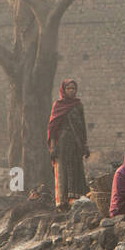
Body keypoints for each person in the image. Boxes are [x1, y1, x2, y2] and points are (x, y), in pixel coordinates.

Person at [47, 78, 89, 210]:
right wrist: (53, 146)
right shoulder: (58, 105)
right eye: (69, 88)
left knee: (76, 169)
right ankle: (62, 201)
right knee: (63, 171)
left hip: (76, 143)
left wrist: (84, 144)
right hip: (63, 144)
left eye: (73, 89)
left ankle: (75, 198)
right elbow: (52, 128)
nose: (71, 91)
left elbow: (82, 126)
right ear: (63, 90)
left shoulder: (78, 105)